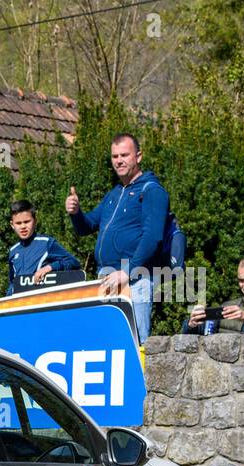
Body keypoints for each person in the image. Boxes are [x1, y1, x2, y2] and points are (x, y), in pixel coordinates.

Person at [67, 132, 168, 342]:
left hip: (135, 278)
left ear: (138, 156)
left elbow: (153, 237)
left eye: (124, 155)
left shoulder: (152, 190)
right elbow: (87, 226)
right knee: (107, 342)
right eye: (115, 156)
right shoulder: (114, 194)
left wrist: (128, 272)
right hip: (106, 277)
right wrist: (76, 213)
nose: (119, 161)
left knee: (135, 341)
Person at [6, 199, 81, 295]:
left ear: (35, 221)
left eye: (27, 221)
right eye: (18, 223)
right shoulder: (13, 251)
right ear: (12, 225)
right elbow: (12, 282)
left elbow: (73, 262)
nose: (23, 226)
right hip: (19, 304)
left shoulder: (46, 243)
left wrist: (50, 267)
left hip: (41, 301)